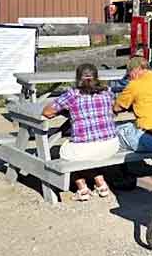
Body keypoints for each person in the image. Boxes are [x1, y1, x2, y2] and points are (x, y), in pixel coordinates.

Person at [42, 64, 119, 201]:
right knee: (89, 152)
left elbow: (48, 112)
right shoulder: (107, 91)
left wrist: (68, 110)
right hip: (111, 145)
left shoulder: (72, 94)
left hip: (86, 148)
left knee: (67, 152)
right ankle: (100, 182)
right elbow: (113, 109)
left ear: (78, 78)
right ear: (97, 77)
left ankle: (82, 187)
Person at [113, 56, 152, 152]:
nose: (129, 78)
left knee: (114, 132)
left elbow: (117, 108)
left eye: (129, 75)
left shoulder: (134, 84)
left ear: (135, 70)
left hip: (146, 140)